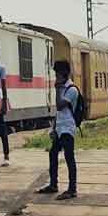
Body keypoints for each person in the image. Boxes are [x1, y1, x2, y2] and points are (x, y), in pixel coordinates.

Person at [36, 60, 78, 200]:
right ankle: (53, 184)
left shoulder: (71, 89)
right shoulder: (63, 88)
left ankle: (72, 189)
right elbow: (58, 112)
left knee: (68, 157)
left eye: (57, 73)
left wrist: (58, 89)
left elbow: (60, 106)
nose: (55, 76)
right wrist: (53, 128)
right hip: (60, 127)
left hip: (68, 128)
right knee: (53, 154)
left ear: (63, 74)